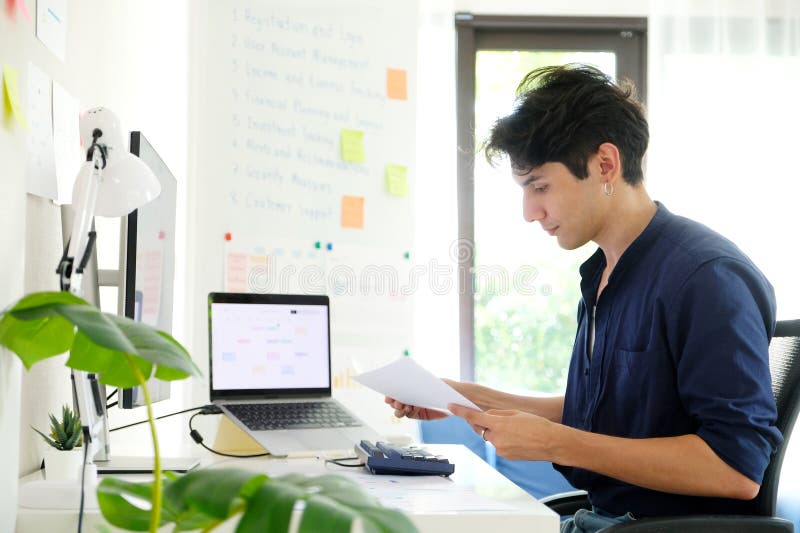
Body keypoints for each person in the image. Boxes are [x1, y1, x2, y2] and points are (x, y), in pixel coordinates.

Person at [386, 64, 782, 532]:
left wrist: (557, 443)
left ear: (606, 164)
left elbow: (735, 469)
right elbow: (605, 411)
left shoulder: (705, 278)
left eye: (540, 187)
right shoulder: (603, 275)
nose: (531, 212)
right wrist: (469, 400)